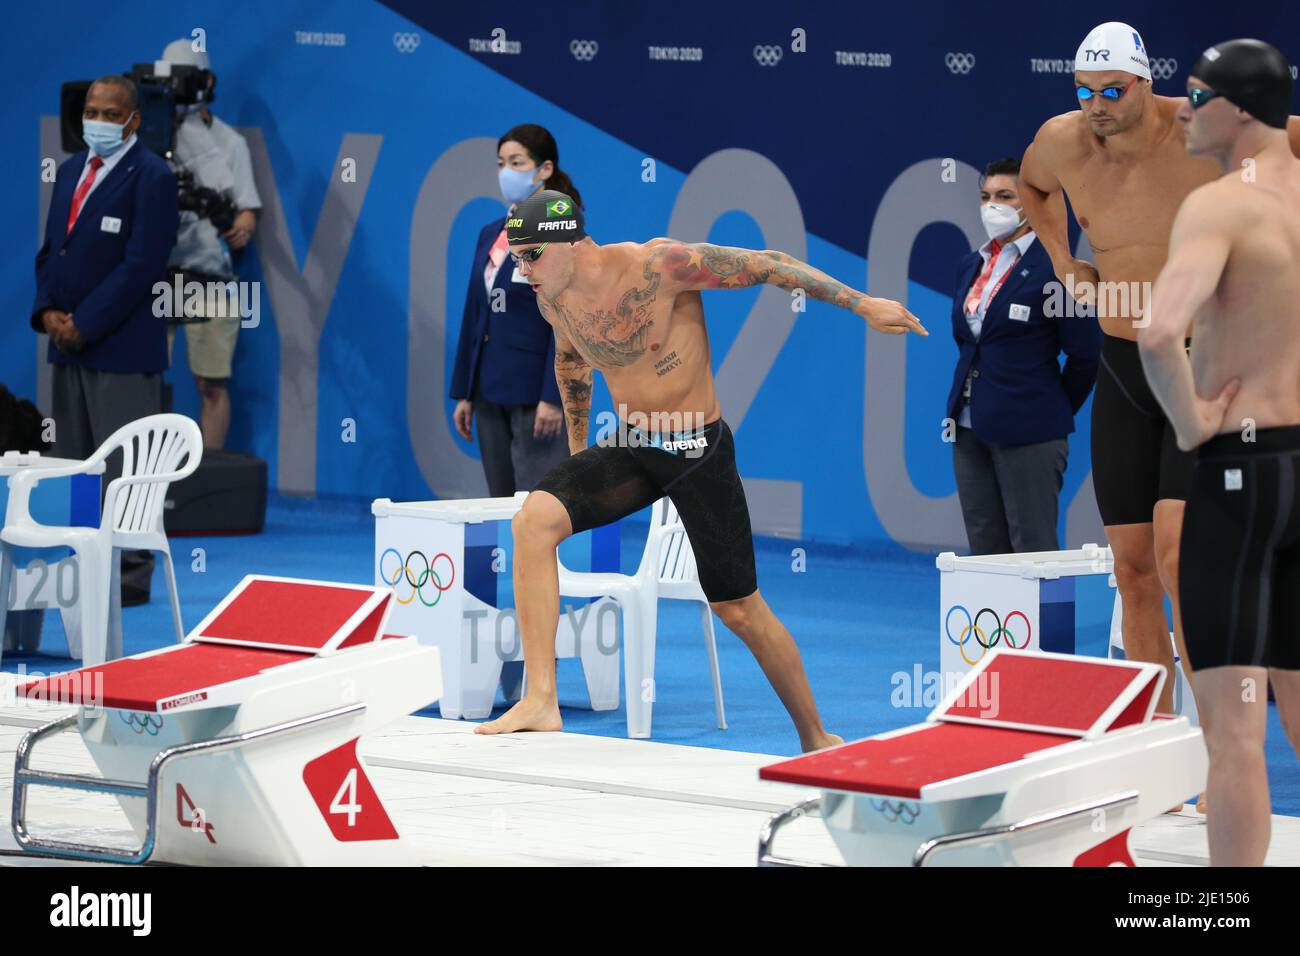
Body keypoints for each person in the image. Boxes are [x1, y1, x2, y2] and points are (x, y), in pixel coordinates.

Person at [474, 189, 926, 751]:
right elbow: (572, 363)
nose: (524, 270)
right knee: (534, 521)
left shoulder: (660, 265)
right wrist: (576, 453)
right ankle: (540, 698)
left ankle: (816, 736)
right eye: (516, 258)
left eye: (532, 255)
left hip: (696, 449)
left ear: (571, 241)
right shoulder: (553, 298)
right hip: (633, 450)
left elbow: (769, 265)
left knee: (737, 608)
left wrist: (863, 305)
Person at [1138, 39, 1300, 867]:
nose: (1181, 110)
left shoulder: (1220, 204)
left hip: (1243, 482)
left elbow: (1160, 331)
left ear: (1238, 109)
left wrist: (1194, 422)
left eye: (1196, 97)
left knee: (1235, 730)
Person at [31, 75, 179, 607]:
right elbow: (54, 250)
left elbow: (142, 267)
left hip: (120, 348)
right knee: (75, 465)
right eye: (92, 110)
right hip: (68, 345)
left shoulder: (153, 177)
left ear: (133, 120)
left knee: (125, 470)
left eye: (111, 114)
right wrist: (48, 310)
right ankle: (81, 567)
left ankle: (129, 576)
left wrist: (85, 322)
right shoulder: (71, 169)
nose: (98, 121)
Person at [948, 157, 1100, 554]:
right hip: (967, 428)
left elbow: (1087, 354)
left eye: (1004, 196)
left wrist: (1046, 410)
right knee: (985, 552)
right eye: (985, 196)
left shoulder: (1056, 268)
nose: (991, 206)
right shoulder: (972, 264)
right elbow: (969, 343)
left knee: (1033, 551)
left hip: (1031, 432)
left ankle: (1042, 621)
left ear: (1031, 203)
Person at [450, 124, 572, 496]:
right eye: (501, 162)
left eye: (516, 162)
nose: (506, 171)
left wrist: (554, 396)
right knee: (499, 504)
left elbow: (565, 322)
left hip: (534, 396)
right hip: (489, 392)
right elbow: (475, 313)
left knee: (538, 507)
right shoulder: (490, 232)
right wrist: (465, 392)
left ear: (544, 169)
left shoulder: (560, 230)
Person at [161, 38, 262, 450]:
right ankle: (145, 477)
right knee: (143, 378)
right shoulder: (149, 139)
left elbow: (247, 210)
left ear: (205, 81)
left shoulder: (229, 144)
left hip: (210, 275)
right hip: (156, 273)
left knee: (211, 383)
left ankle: (204, 480)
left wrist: (242, 227)